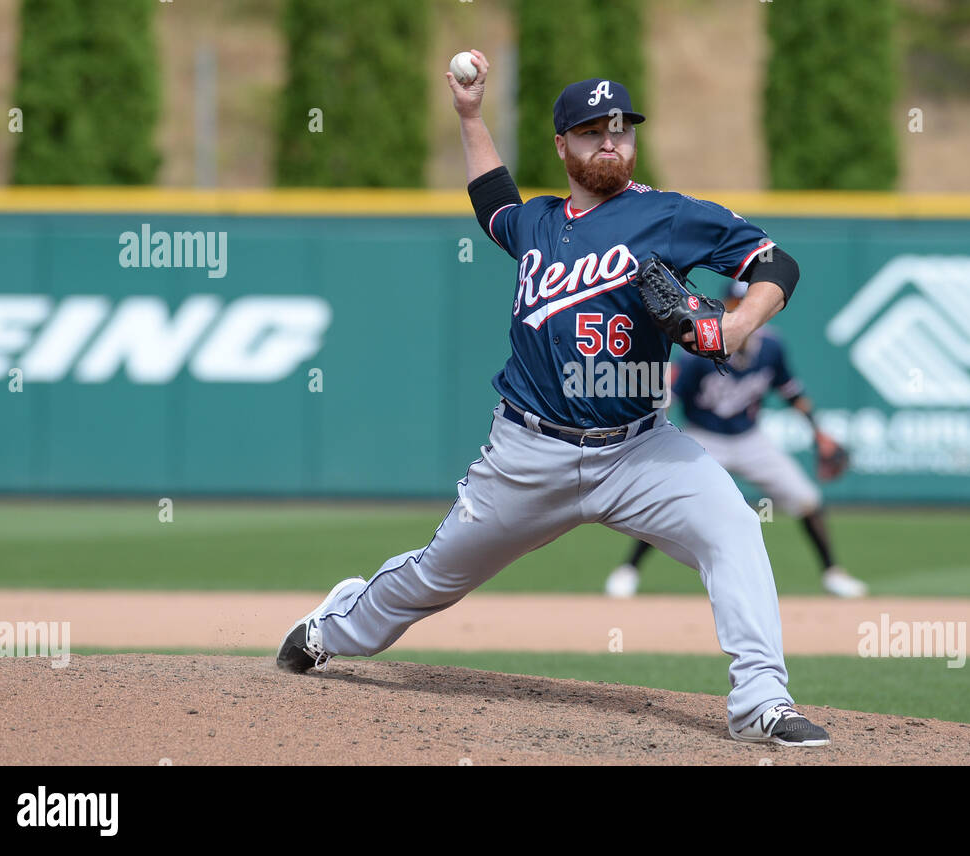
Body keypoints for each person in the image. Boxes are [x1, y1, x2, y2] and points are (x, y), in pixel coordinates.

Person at [276, 50, 830, 747]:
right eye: (593, 129)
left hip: (639, 451)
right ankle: (332, 626)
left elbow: (777, 264)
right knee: (434, 579)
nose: (610, 140)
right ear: (562, 145)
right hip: (527, 453)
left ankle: (760, 701)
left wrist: (738, 322)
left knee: (735, 531)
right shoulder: (536, 224)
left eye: (622, 128)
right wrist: (470, 115)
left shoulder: (670, 216)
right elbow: (490, 199)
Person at [605, 279, 868, 599]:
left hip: (750, 439)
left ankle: (832, 574)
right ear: (723, 306)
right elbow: (668, 397)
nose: (740, 310)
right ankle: (628, 569)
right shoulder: (697, 352)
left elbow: (791, 391)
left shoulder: (771, 347)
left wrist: (818, 432)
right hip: (705, 440)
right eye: (734, 303)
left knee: (806, 498)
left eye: (746, 304)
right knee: (669, 501)